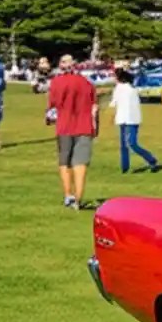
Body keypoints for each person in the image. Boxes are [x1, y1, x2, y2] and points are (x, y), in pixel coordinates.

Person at [47, 55, 98, 209]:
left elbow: (52, 106)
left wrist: (49, 118)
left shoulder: (57, 82)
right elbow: (94, 107)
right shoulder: (87, 83)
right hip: (84, 126)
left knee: (64, 162)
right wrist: (96, 128)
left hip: (64, 126)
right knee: (80, 163)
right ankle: (78, 198)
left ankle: (68, 194)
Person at [109, 68, 159, 173]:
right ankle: (125, 167)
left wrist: (111, 115)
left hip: (130, 119)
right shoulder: (131, 88)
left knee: (131, 144)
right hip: (126, 118)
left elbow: (114, 103)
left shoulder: (121, 88)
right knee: (124, 145)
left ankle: (151, 160)